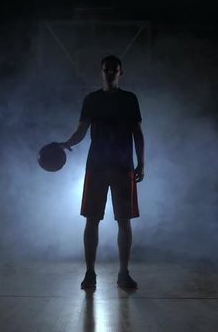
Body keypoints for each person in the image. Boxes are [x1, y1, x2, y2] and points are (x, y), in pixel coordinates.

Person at [59, 55, 145, 289]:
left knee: (124, 222)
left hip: (123, 166)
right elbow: (81, 131)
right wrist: (65, 143)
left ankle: (123, 273)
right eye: (106, 69)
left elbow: (137, 133)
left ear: (120, 73)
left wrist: (141, 162)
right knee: (92, 220)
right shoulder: (92, 100)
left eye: (114, 70)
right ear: (101, 72)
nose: (110, 73)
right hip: (97, 166)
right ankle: (90, 273)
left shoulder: (129, 99)